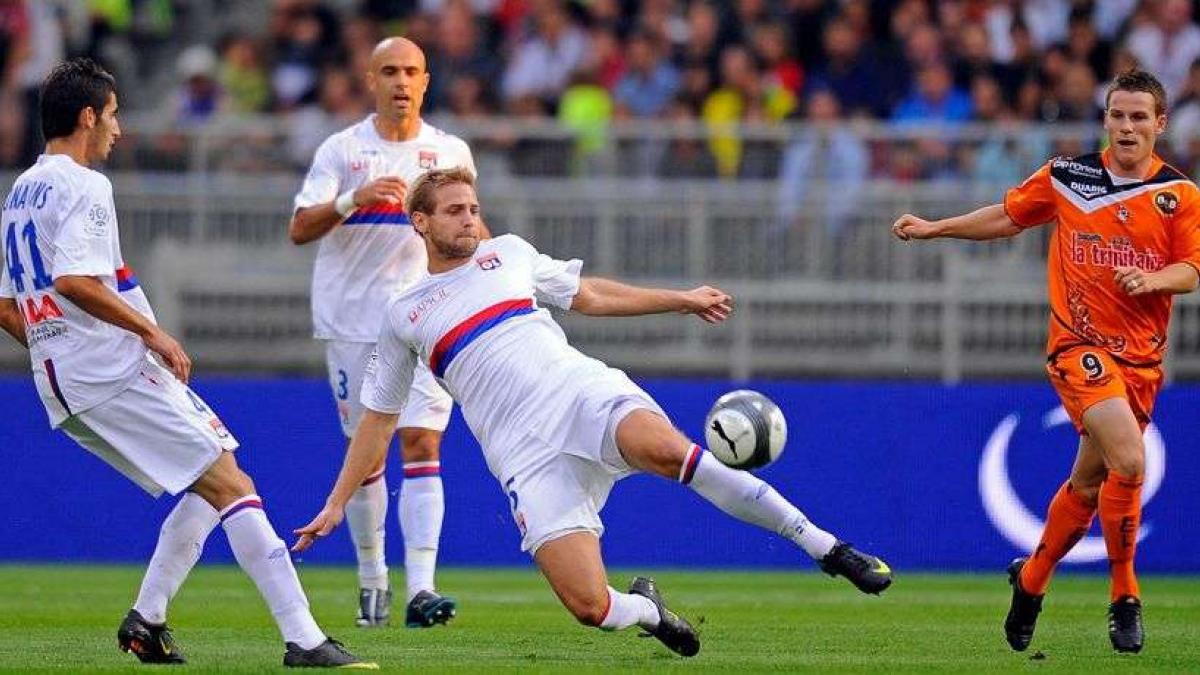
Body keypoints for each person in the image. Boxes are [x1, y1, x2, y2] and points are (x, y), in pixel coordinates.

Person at [293, 167, 894, 658]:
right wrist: (338, 501)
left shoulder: (508, 255)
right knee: (591, 608)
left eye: (473, 207)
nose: (469, 218)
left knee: (670, 453)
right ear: (419, 222)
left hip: (579, 394)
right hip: (523, 455)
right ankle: (648, 610)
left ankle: (829, 549)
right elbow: (378, 420)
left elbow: (591, 294)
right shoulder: (404, 314)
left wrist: (680, 300)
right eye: (454, 210)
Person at [0, 58, 373, 668]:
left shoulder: (21, 190)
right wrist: (153, 332)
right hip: (107, 366)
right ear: (88, 116)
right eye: (114, 115)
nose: (118, 129)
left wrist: (50, 350)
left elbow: (8, 305)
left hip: (67, 377)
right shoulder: (84, 184)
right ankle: (304, 638)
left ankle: (147, 619)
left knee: (215, 471)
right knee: (233, 485)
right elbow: (73, 280)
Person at [892, 69, 1200, 655]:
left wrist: (1153, 277)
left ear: (1160, 124)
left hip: (1140, 363)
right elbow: (1009, 215)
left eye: (1140, 117)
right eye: (1118, 115)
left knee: (1090, 481)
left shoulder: (1179, 195)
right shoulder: (1069, 177)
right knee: (1130, 461)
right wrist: (937, 229)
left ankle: (1031, 581)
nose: (1127, 127)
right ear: (1105, 120)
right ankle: (1125, 597)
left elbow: (1191, 268)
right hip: (1076, 347)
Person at [287, 36, 476, 629]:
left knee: (423, 442)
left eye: (412, 71)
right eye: (389, 71)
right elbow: (298, 228)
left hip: (426, 316)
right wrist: (352, 198)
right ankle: (373, 579)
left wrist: (498, 273)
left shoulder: (448, 152)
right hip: (354, 323)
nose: (401, 81)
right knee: (367, 457)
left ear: (426, 81)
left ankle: (422, 588)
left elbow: (470, 225)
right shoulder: (343, 150)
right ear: (371, 80)